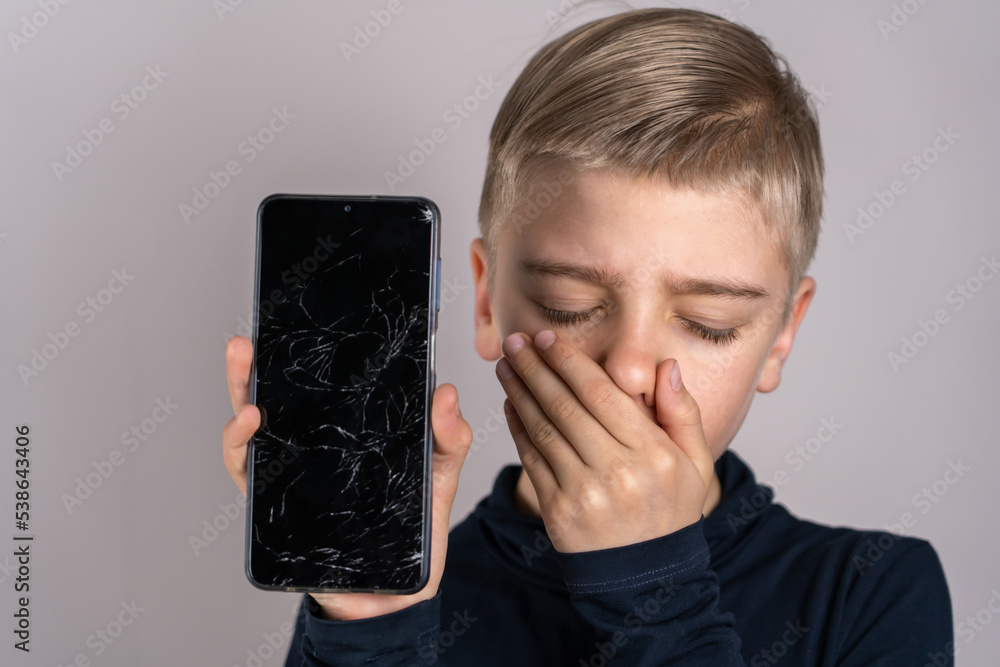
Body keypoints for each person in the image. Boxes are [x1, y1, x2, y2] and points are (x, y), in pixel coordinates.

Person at [222, 7, 954, 665]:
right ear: (485, 300)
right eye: (569, 305)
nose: (631, 367)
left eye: (709, 323)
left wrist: (654, 585)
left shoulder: (870, 593)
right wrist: (369, 621)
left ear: (782, 335)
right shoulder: (396, 594)